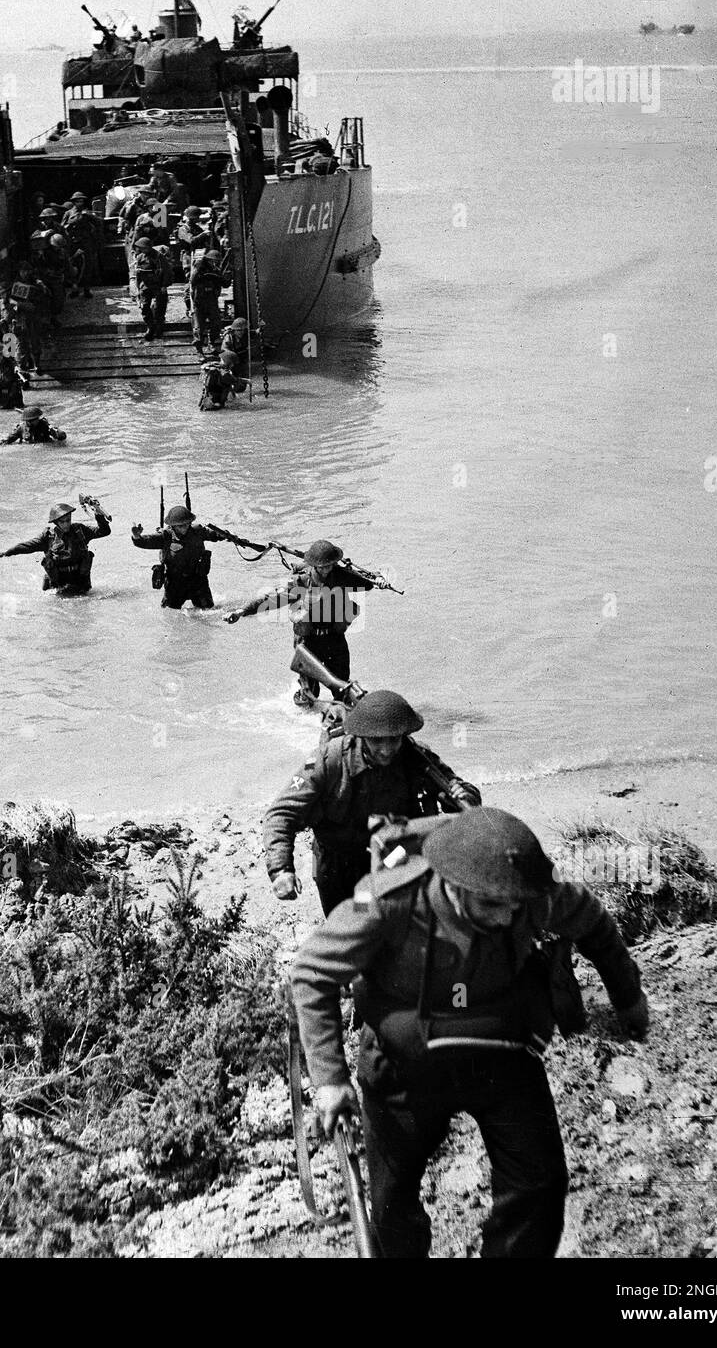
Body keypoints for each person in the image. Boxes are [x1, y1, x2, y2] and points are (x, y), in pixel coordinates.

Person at [291, 807, 649, 1258]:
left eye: (513, 905)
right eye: (492, 905)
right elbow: (311, 974)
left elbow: (594, 922)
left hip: (502, 1052)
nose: (506, 916)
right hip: (404, 1069)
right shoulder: (389, 902)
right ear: (454, 884)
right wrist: (329, 1081)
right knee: (391, 1203)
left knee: (539, 1182)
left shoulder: (528, 894)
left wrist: (628, 997)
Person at [263, 689, 477, 915]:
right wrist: (281, 869)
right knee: (351, 925)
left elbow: (462, 795)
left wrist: (460, 795)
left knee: (393, 924)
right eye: (376, 741)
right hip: (338, 863)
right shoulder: (329, 760)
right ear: (361, 736)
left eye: (394, 740)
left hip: (393, 857)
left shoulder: (415, 757)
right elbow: (281, 814)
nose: (386, 750)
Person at [224, 539, 376, 708]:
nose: (327, 569)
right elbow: (271, 599)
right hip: (308, 642)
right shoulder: (301, 582)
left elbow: (367, 584)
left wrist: (378, 580)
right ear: (315, 566)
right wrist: (242, 611)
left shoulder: (341, 576)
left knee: (342, 688)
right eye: (324, 566)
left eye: (331, 565)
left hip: (334, 638)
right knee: (309, 695)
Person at [0, 497, 111, 594]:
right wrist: (7, 552)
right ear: (55, 523)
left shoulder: (80, 531)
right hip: (57, 586)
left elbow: (104, 531)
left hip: (80, 582)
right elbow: (27, 546)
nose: (66, 524)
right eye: (62, 521)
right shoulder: (48, 537)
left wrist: (98, 514)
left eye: (68, 520)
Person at [130, 503, 229, 609]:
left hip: (198, 580)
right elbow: (144, 542)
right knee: (170, 614)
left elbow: (215, 535)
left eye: (187, 524)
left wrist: (226, 535)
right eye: (181, 525)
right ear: (173, 526)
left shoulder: (198, 531)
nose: (185, 527)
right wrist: (136, 536)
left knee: (208, 611)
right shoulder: (165, 537)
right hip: (175, 582)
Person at [189, 248, 226, 354]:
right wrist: (201, 269)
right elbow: (192, 280)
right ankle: (199, 350)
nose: (214, 263)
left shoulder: (216, 271)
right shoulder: (199, 269)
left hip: (212, 301)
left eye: (216, 261)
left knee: (216, 324)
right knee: (198, 327)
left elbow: (225, 283)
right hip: (199, 302)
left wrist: (220, 276)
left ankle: (212, 343)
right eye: (212, 261)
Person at [131, 236, 163, 337]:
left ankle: (158, 328)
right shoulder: (140, 257)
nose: (142, 249)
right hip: (145, 285)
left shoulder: (158, 256)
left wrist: (164, 285)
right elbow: (137, 274)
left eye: (144, 247)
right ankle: (150, 326)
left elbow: (166, 272)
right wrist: (137, 287)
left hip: (156, 285)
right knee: (145, 307)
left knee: (158, 308)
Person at [0, 404, 66, 445]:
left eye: (36, 419)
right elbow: (9, 439)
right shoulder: (21, 427)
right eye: (29, 420)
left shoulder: (44, 425)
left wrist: (55, 431)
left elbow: (62, 438)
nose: (37, 420)